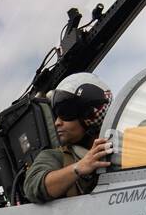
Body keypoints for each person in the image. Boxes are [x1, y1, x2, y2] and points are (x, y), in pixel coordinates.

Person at [23, 72, 113, 202]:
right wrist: (79, 168)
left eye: (65, 113)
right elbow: (33, 186)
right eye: (56, 115)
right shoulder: (55, 157)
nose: (57, 123)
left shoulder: (122, 141)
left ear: (89, 113)